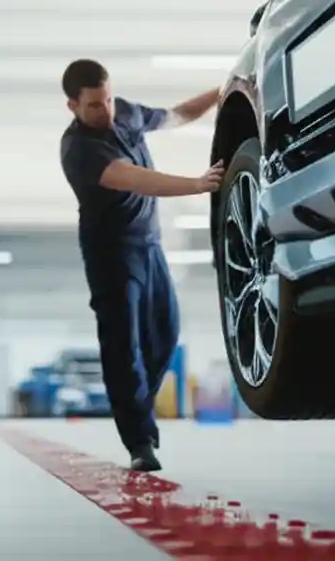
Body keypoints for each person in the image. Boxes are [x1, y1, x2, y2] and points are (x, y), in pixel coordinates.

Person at [58, 58, 224, 472]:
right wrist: (196, 184)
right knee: (123, 345)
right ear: (73, 106)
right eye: (95, 105)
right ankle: (139, 441)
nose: (106, 110)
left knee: (166, 333)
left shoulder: (127, 113)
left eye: (109, 99)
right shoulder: (79, 150)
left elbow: (176, 116)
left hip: (149, 244)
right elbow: (136, 178)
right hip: (111, 253)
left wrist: (222, 94)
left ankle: (135, 408)